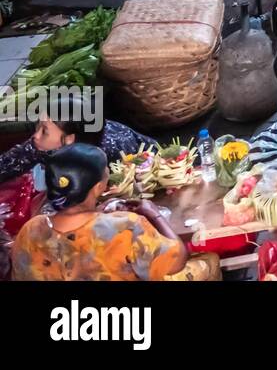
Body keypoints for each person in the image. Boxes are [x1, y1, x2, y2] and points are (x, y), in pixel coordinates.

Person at [12, 144, 190, 281]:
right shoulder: (125, 227)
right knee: (205, 262)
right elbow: (177, 261)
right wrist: (154, 214)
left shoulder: (30, 230)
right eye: (106, 171)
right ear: (99, 187)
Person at [0, 90, 156, 185]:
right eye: (38, 126)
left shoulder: (111, 153)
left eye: (44, 131)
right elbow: (8, 164)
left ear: (69, 139)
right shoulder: (42, 142)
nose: (35, 135)